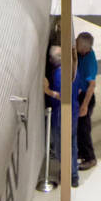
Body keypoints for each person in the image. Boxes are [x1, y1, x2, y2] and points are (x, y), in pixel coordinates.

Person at [42, 45, 82, 187]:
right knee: (72, 143)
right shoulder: (73, 71)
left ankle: (67, 174)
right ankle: (74, 175)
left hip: (61, 115)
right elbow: (79, 90)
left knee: (61, 147)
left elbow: (62, 96)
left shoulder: (59, 75)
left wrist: (47, 91)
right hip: (74, 113)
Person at [75, 32, 98, 168]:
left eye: (77, 43)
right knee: (78, 128)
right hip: (80, 94)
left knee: (84, 129)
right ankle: (81, 152)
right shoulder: (82, 54)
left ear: (83, 48)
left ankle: (90, 158)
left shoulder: (89, 61)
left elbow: (92, 85)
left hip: (86, 97)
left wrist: (84, 106)